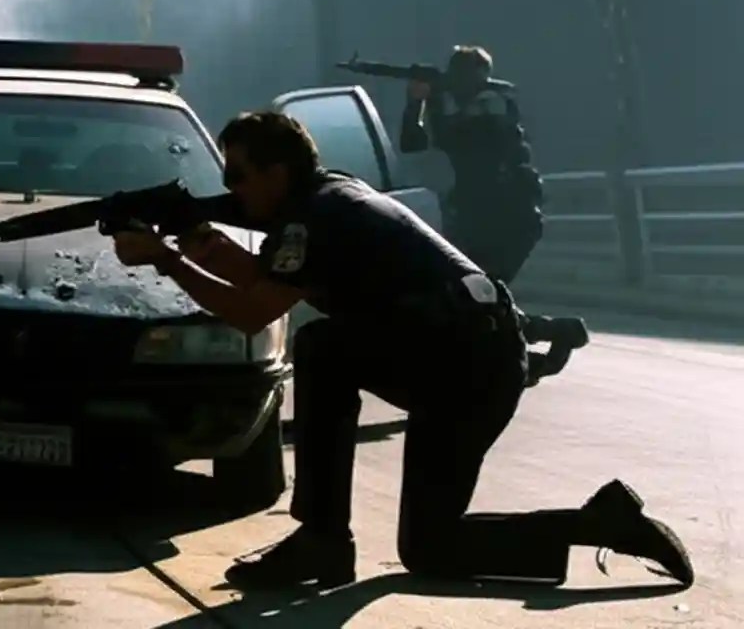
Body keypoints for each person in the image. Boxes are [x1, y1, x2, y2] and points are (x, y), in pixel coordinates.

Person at [108, 110, 694, 590]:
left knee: (321, 347)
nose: (230, 190)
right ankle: (598, 524)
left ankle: (322, 540)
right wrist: (195, 239)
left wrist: (166, 259)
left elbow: (251, 313)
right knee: (431, 548)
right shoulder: (327, 201)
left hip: (469, 370)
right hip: (466, 361)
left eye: (238, 176)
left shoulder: (316, 217)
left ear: (277, 172)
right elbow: (265, 282)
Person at [399, 45, 544, 283]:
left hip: (506, 215)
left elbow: (459, 139)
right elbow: (412, 143)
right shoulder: (475, 108)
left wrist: (430, 101)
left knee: (481, 286)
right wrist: (417, 102)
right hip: (482, 214)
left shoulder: (495, 105)